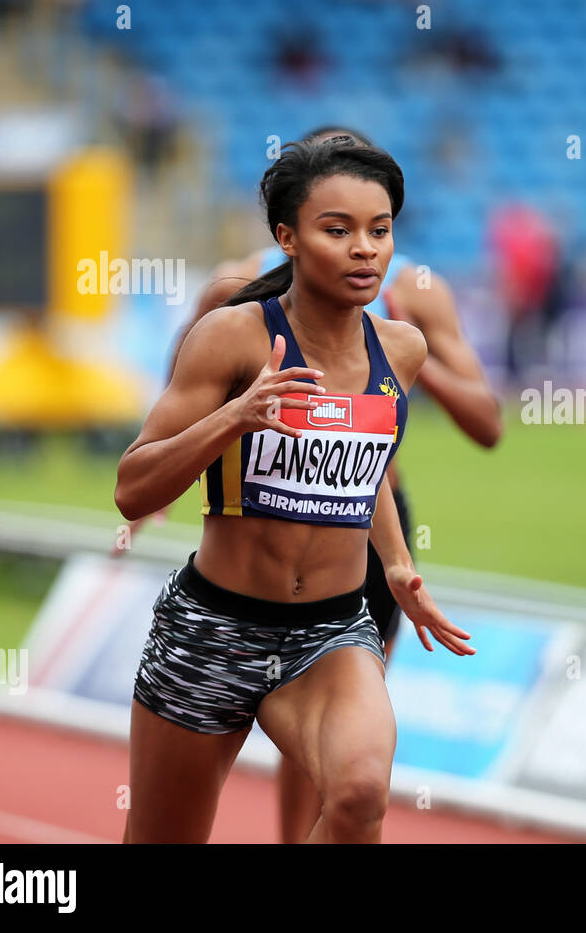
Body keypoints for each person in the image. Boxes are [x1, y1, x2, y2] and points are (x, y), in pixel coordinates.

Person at [115, 136, 474, 843]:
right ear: (288, 238)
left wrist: (398, 564)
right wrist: (235, 417)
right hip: (213, 631)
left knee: (359, 794)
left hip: (331, 633)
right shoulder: (232, 338)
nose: (365, 249)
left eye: (380, 231)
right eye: (337, 231)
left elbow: (362, 467)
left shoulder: (400, 349)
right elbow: (132, 485)